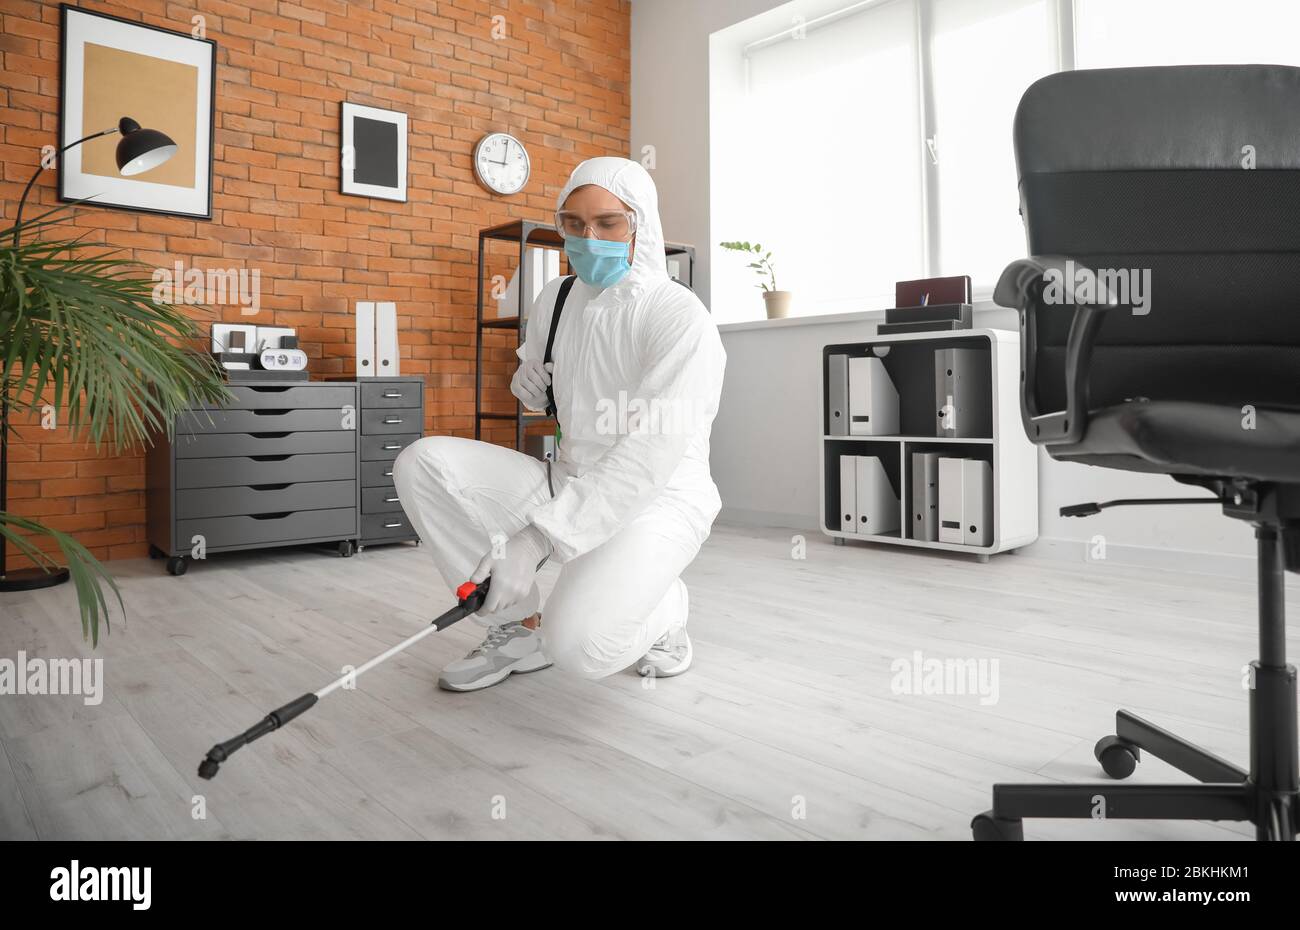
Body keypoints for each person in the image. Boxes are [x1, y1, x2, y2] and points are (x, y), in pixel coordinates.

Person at [392, 156, 727, 690]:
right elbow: (546, 377)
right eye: (574, 223)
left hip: (657, 498)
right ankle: (517, 627)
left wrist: (536, 540)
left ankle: (666, 609)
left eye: (608, 223)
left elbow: (649, 455)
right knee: (422, 464)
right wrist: (527, 383)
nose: (588, 237)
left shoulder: (677, 317)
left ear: (640, 223)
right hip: (568, 476)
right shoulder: (557, 297)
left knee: (580, 648)